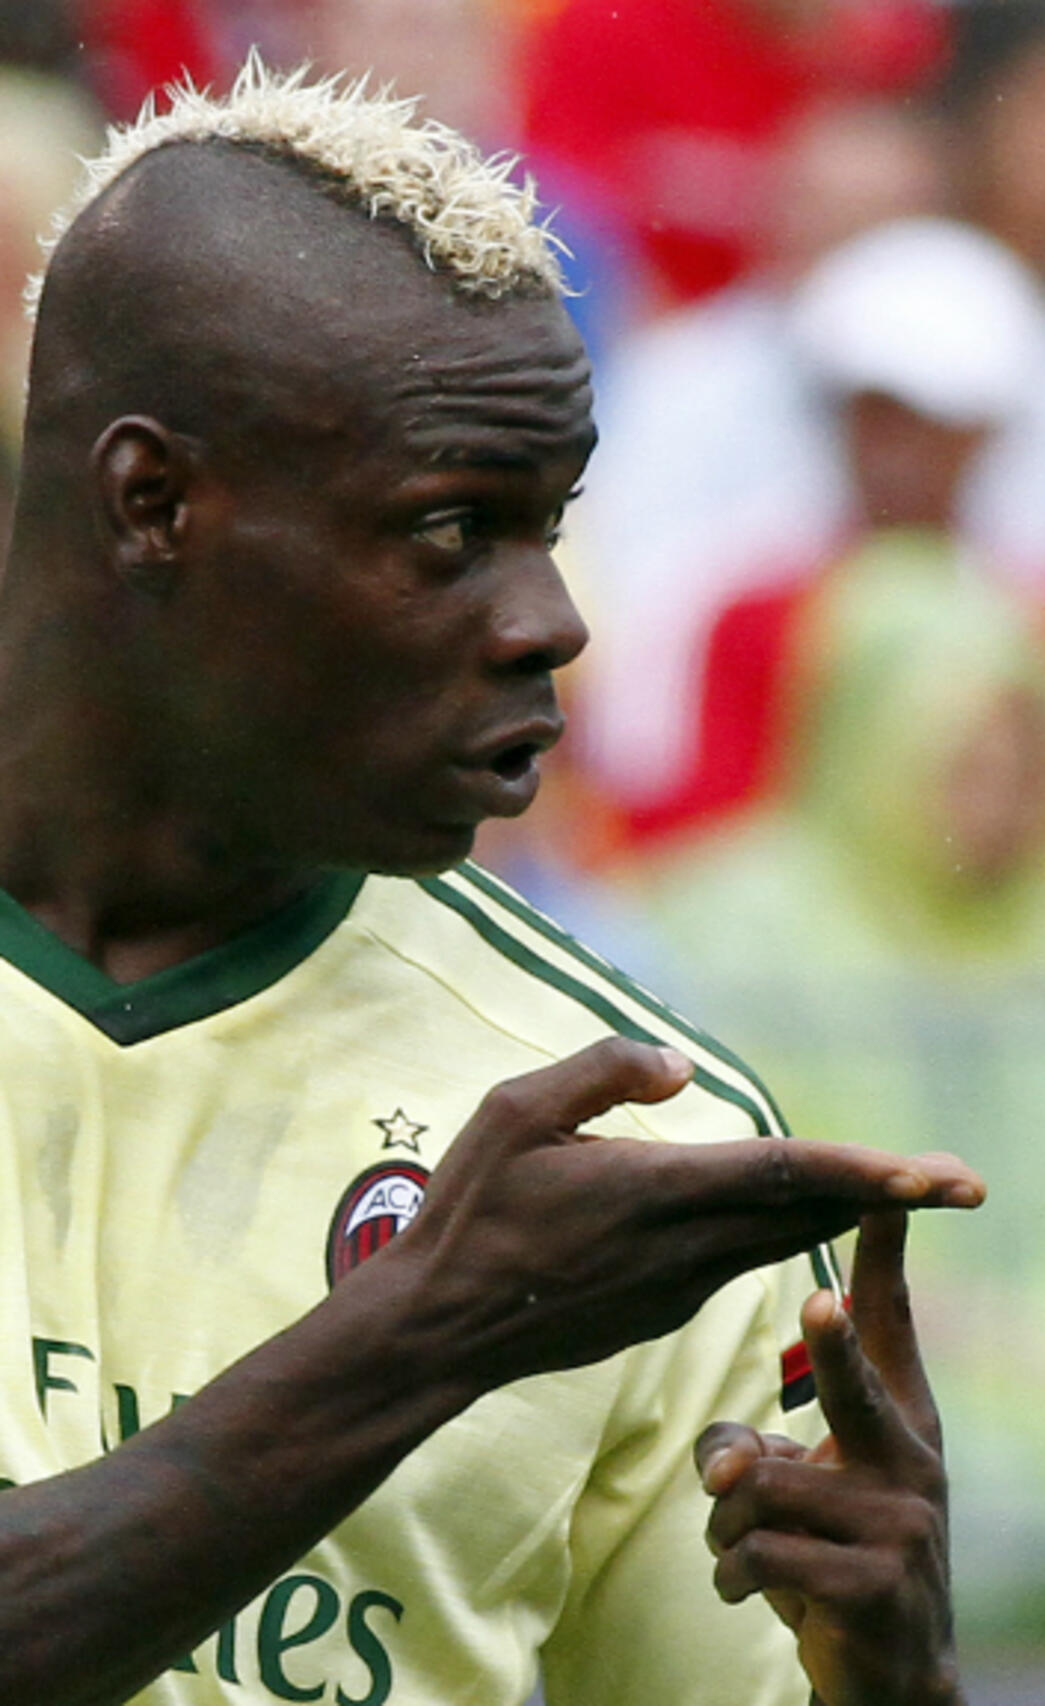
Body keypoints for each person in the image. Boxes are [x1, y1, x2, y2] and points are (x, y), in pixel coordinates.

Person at [0, 56, 984, 1706]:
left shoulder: (638, 1157)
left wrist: (900, 1680)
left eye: (553, 523)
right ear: (153, 502)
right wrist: (429, 1327)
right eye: (453, 528)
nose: (552, 620)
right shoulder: (538, 1236)